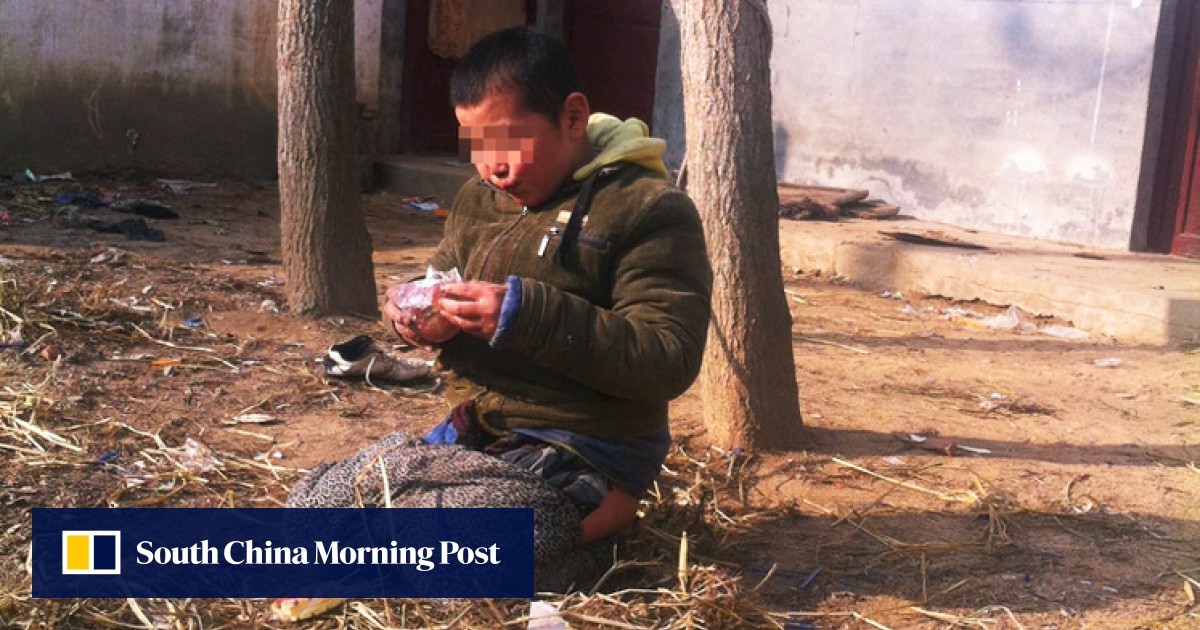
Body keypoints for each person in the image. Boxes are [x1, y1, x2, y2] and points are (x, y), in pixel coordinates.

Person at [381, 25, 711, 571]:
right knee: (326, 500)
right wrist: (418, 317)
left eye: (508, 141)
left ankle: (598, 532)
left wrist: (526, 316)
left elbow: (667, 355)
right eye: (476, 145)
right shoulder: (477, 200)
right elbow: (443, 274)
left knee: (460, 545)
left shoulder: (647, 209)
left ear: (573, 117)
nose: (492, 166)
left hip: (585, 444)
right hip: (479, 430)